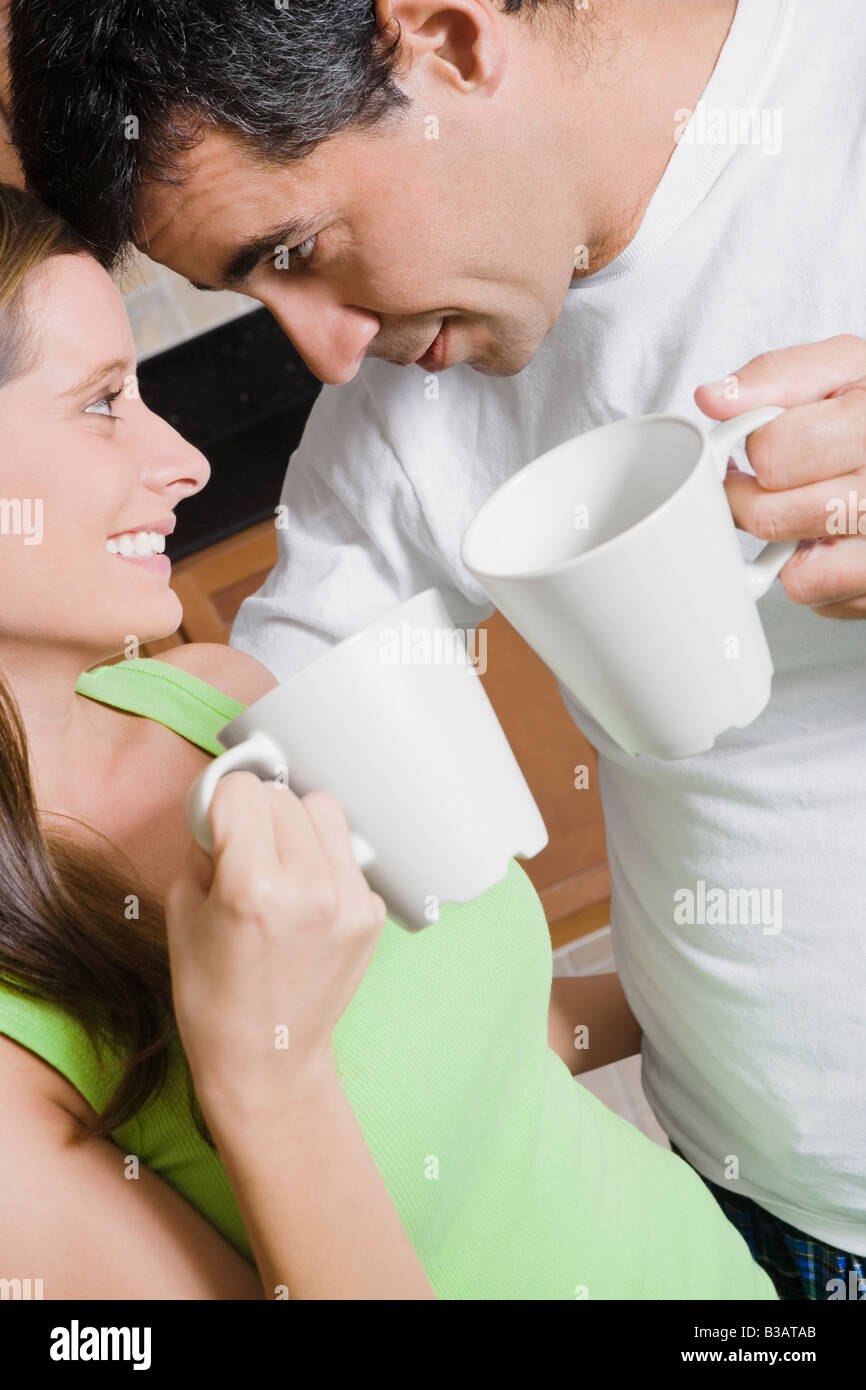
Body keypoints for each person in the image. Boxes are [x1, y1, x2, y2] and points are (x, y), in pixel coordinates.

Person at [9, 0, 865, 1298]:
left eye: (298, 247)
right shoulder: (398, 404)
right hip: (755, 1198)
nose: (324, 355)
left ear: (450, 42)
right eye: (249, 287)